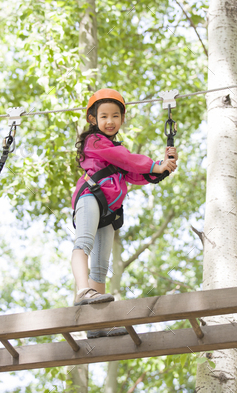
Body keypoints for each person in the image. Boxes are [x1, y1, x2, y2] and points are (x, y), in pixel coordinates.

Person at [71, 88, 178, 338]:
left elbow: (133, 173)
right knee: (83, 243)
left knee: (100, 266)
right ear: (93, 119)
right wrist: (155, 164)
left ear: (122, 119)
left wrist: (161, 169)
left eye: (115, 116)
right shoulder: (95, 142)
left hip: (109, 209)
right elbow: (125, 158)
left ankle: (97, 323)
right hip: (90, 197)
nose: (110, 121)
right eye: (104, 116)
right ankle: (82, 290)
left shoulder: (115, 149)